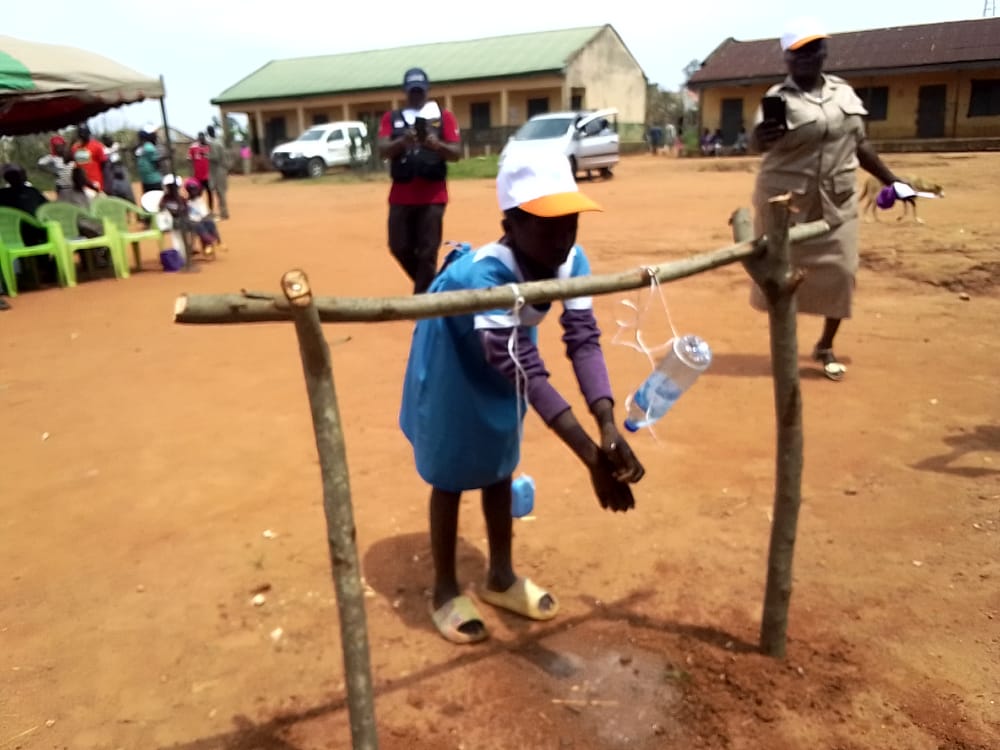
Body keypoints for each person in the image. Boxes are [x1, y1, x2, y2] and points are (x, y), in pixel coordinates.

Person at [399, 150, 645, 644]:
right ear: (510, 224)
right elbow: (524, 372)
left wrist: (607, 428)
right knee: (450, 471)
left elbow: (583, 338)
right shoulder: (482, 278)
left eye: (570, 221)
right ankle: (445, 588)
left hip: (507, 357)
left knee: (499, 459)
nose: (563, 237)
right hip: (453, 358)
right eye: (547, 224)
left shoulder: (572, 259)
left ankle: (501, 577)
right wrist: (589, 457)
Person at [751, 18, 913, 381]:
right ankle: (785, 348)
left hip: (837, 202)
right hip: (785, 205)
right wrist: (762, 136)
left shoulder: (844, 93)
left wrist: (893, 180)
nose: (809, 57)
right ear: (787, 58)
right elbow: (756, 144)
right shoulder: (778, 98)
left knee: (842, 273)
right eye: (800, 52)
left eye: (815, 49)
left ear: (825, 53)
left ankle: (825, 345)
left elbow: (860, 143)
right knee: (780, 280)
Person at [377, 67, 462, 294]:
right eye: (412, 91)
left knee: (427, 252)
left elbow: (456, 153)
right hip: (400, 196)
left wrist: (436, 144)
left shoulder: (443, 117)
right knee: (398, 246)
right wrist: (402, 142)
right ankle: (434, 288)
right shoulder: (391, 118)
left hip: (433, 196)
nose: (416, 95)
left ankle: (422, 304)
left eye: (420, 91)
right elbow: (382, 150)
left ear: (427, 91)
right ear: (405, 92)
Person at [183, 178, 224, 256]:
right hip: (192, 222)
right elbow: (187, 215)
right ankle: (210, 242)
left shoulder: (199, 200)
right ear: (188, 191)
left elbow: (205, 214)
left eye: (195, 190)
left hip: (202, 220)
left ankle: (218, 242)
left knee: (210, 223)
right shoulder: (187, 202)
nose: (193, 192)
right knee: (199, 226)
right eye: (191, 190)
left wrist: (206, 219)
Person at [71, 125, 107, 192]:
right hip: (82, 186)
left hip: (96, 183)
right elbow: (76, 167)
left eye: (84, 134)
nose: (83, 136)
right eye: (81, 134)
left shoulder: (97, 146)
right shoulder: (75, 148)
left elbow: (104, 164)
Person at [206, 125, 230, 219]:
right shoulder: (219, 142)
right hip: (222, 169)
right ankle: (223, 212)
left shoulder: (213, 143)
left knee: (220, 192)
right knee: (221, 192)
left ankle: (224, 213)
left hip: (218, 170)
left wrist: (207, 156)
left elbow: (215, 157)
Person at [187, 132, 213, 212]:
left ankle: (210, 209)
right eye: (200, 138)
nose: (201, 139)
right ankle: (193, 209)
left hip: (207, 175)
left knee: (209, 192)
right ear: (198, 138)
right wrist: (191, 172)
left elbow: (212, 158)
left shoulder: (208, 146)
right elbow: (189, 159)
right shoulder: (193, 147)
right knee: (196, 193)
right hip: (197, 176)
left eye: (203, 138)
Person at [135, 127, 164, 195]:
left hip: (153, 179)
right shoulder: (141, 147)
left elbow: (156, 162)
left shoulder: (148, 147)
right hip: (146, 179)